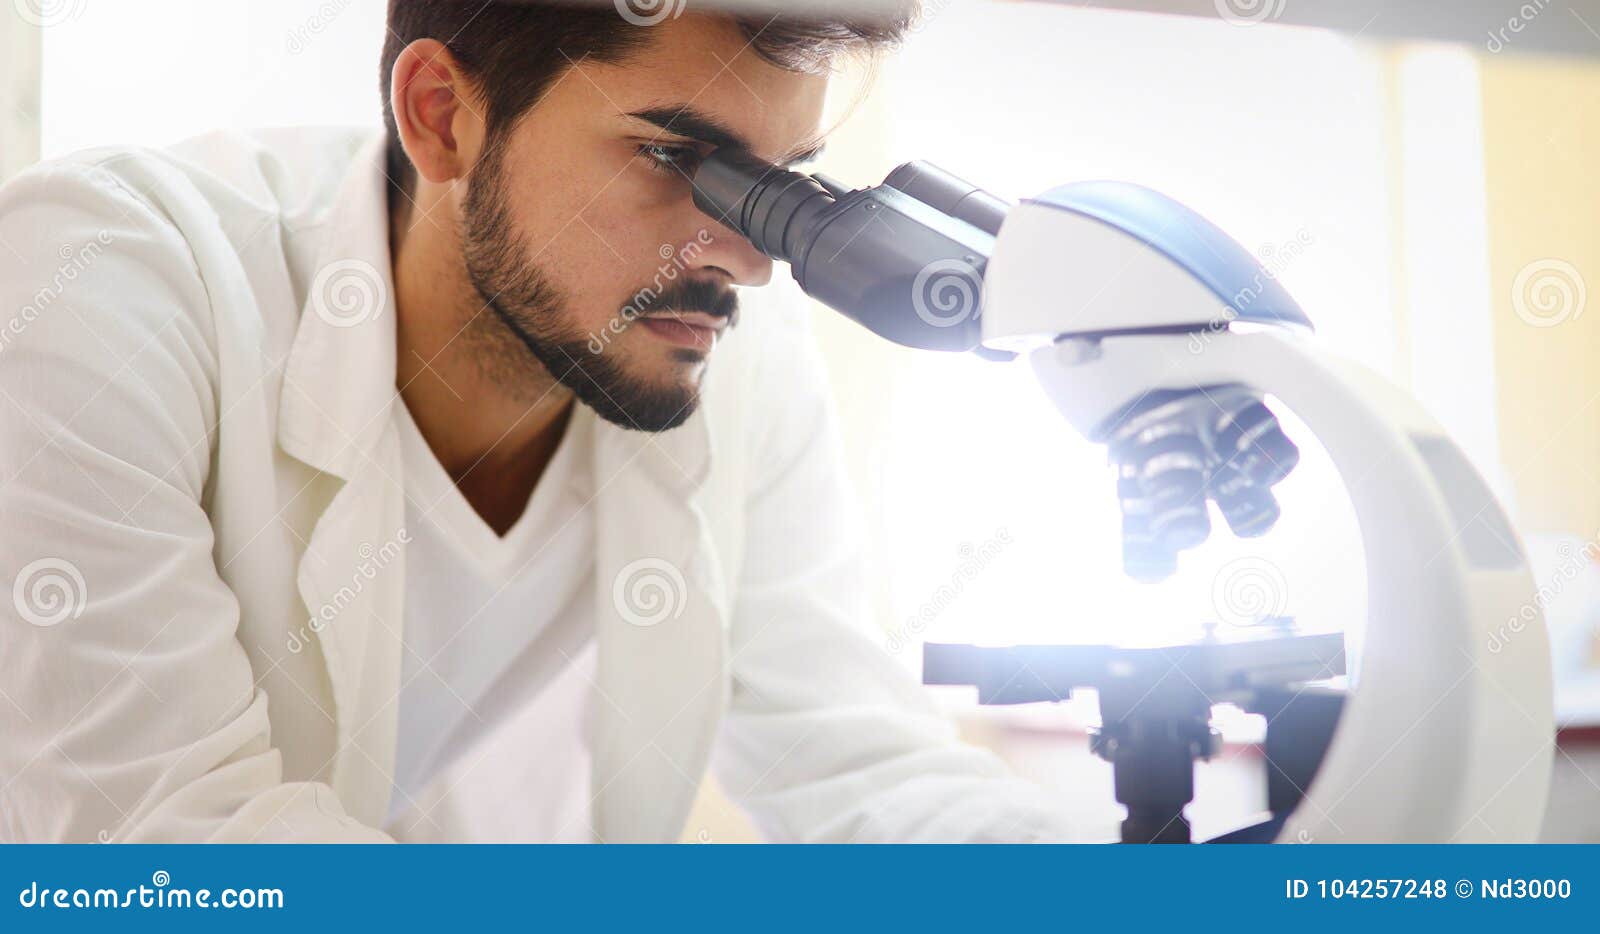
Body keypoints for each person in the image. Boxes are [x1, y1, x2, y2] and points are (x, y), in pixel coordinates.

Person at [0, 0, 1072, 843]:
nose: (747, 257)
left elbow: (854, 756)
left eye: (779, 186)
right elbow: (162, 853)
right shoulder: (99, 279)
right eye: (673, 159)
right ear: (441, 115)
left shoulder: (718, 346)